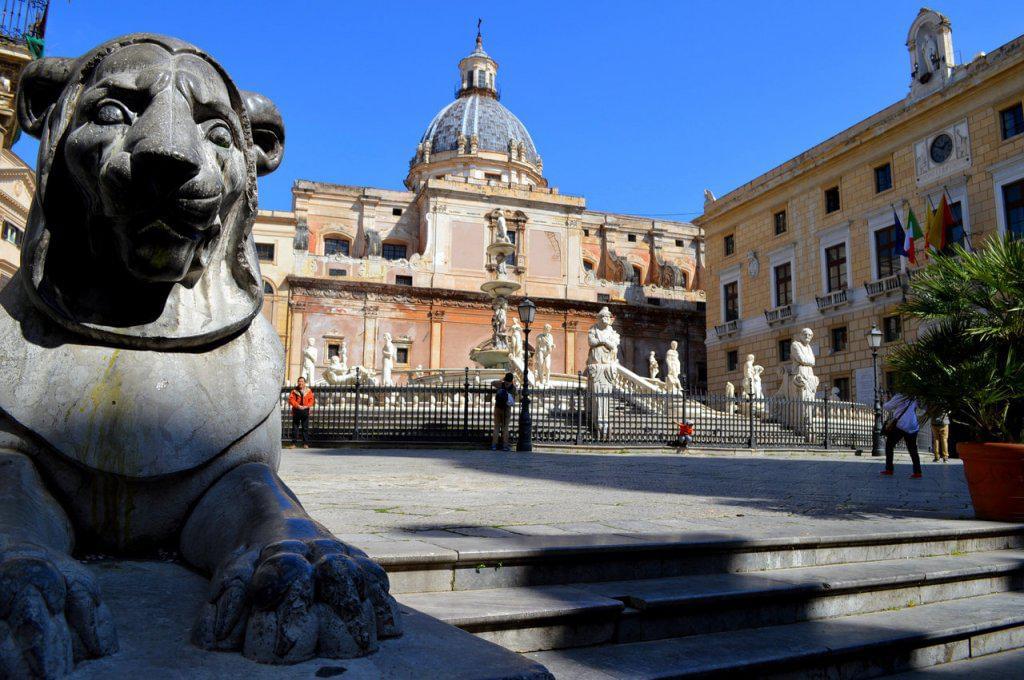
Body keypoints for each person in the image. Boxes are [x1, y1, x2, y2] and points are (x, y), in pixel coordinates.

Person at [881, 392, 922, 478]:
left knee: (889, 445)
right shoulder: (913, 396)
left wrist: (885, 399)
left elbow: (887, 407)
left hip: (901, 425)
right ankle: (917, 472)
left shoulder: (900, 396)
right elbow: (920, 409)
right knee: (913, 449)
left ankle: (889, 469)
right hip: (913, 425)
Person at [490, 372, 517, 451]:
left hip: (498, 408)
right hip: (507, 409)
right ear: (512, 380)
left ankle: (494, 445)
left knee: (496, 427)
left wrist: (501, 380)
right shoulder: (513, 388)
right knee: (505, 428)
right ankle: (505, 446)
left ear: (505, 379)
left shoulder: (500, 384)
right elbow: (515, 396)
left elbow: (492, 383)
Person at [288, 376, 315, 448]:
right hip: (297, 410)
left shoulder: (308, 391)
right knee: (295, 428)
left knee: (305, 428)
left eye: (302, 381)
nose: (300, 383)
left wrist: (306, 406)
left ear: (305, 383)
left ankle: (305, 443)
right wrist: (298, 406)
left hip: (305, 410)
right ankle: (293, 444)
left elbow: (311, 400)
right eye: (299, 381)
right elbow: (291, 400)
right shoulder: (294, 391)